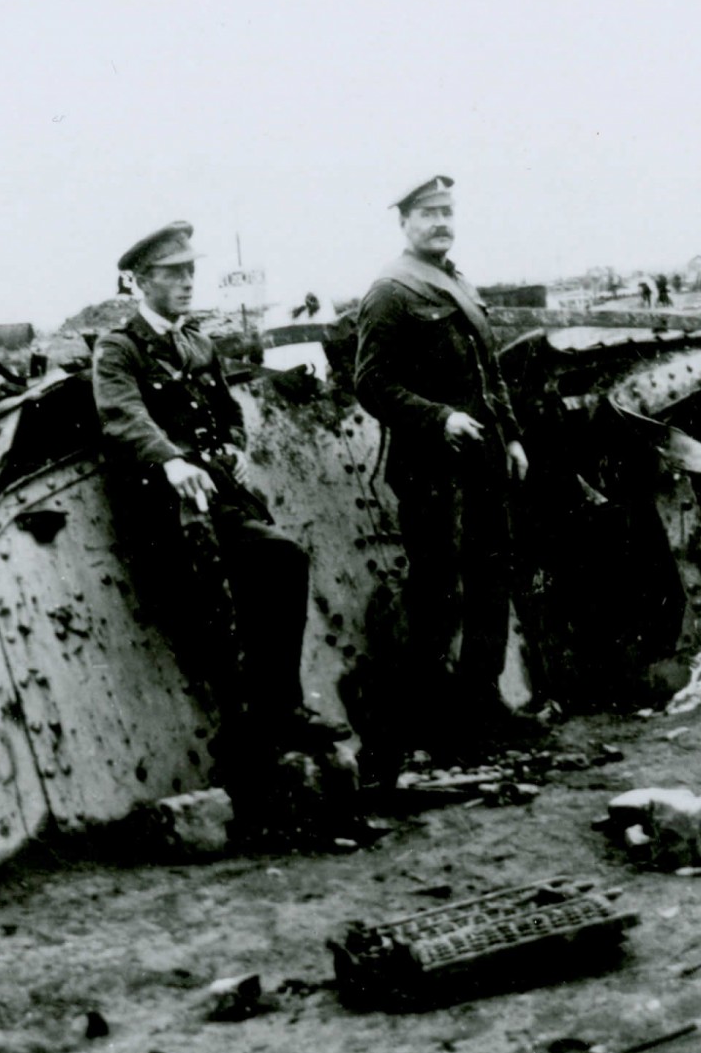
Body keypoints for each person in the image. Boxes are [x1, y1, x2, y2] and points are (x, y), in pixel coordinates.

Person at [91, 222, 348, 771]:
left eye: (190, 272)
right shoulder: (120, 349)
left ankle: (278, 711)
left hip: (216, 496)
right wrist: (171, 460)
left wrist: (233, 445)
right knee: (235, 590)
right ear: (142, 282)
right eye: (172, 274)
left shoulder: (198, 344)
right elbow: (122, 415)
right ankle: (256, 726)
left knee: (279, 562)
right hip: (165, 507)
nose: (187, 282)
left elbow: (228, 412)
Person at [353, 175, 539, 759]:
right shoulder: (390, 289)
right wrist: (438, 419)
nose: (440, 222)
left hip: (483, 457)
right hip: (429, 464)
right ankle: (432, 723)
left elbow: (490, 373)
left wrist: (511, 437)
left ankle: (482, 703)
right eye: (428, 213)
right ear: (404, 222)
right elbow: (370, 383)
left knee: (490, 580)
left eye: (447, 212)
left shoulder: (457, 281)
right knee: (436, 591)